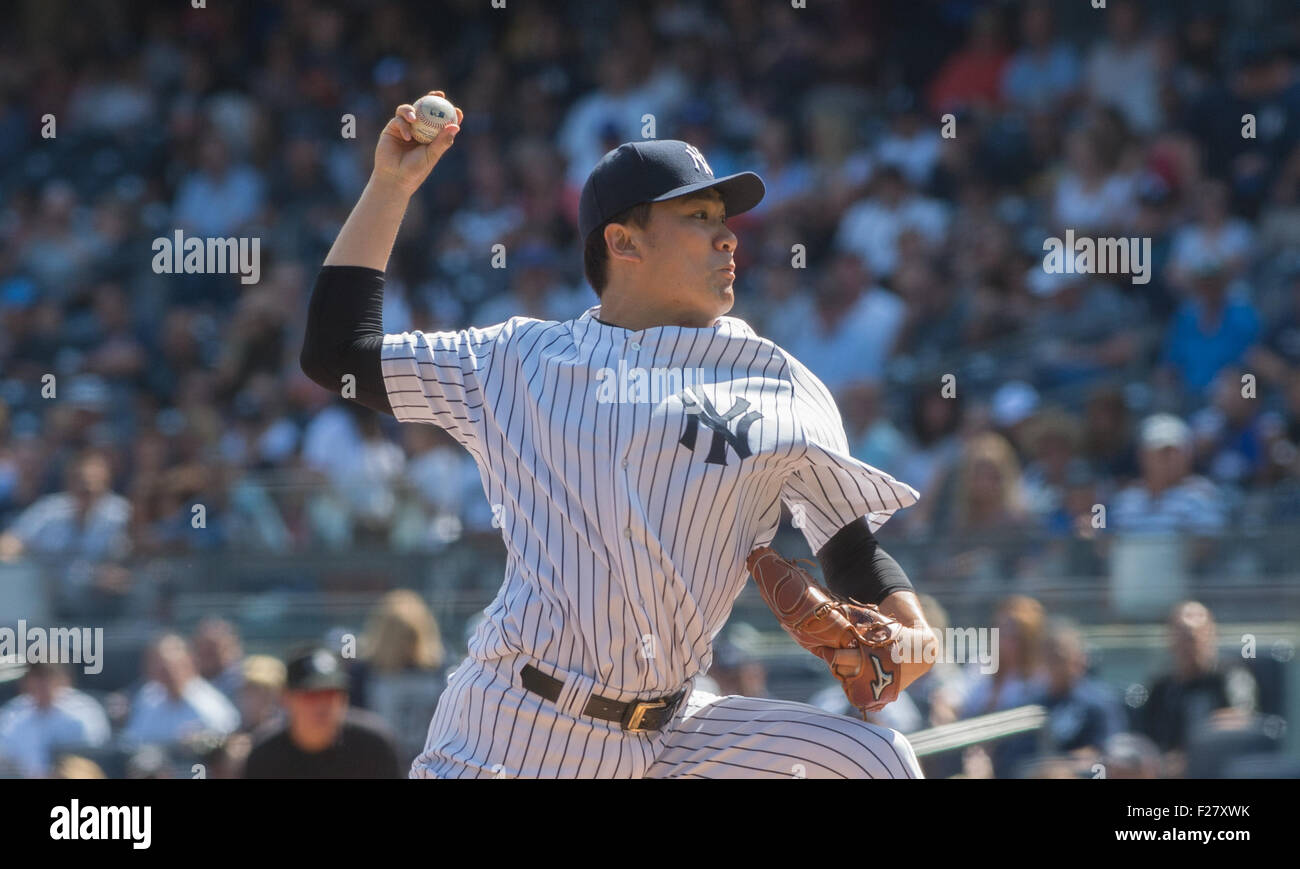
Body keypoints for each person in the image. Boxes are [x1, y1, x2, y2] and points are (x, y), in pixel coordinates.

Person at [299, 94, 933, 778]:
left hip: (672, 733)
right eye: (697, 217)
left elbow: (846, 546)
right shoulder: (516, 359)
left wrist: (909, 625)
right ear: (622, 241)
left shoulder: (780, 382)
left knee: (874, 760)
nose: (727, 237)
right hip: (514, 730)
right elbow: (338, 352)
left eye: (724, 219)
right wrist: (390, 186)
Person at [243, 647, 402, 779]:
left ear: (345, 698)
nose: (322, 705)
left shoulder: (373, 745)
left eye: (331, 694)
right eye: (311, 695)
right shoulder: (265, 755)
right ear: (286, 698)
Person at [1134, 601, 1257, 771]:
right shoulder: (1162, 687)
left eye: (1195, 637)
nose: (1189, 646)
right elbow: (1145, 739)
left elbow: (1241, 719)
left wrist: (1192, 756)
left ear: (1212, 636)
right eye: (1182, 637)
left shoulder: (1230, 675)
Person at [122, 633, 240, 747]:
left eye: (172, 667)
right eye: (161, 668)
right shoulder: (148, 698)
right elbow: (133, 741)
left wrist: (203, 741)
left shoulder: (209, 703)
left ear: (189, 663)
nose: (168, 674)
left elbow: (227, 740)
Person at [0, 663, 110, 778]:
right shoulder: (12, 715)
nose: (42, 683)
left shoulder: (85, 711)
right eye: (35, 677)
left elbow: (95, 760)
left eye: (47, 676)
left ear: (63, 678)